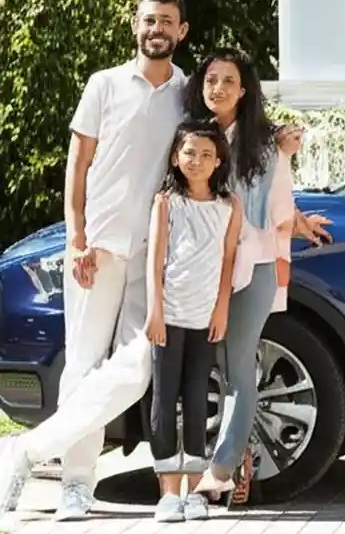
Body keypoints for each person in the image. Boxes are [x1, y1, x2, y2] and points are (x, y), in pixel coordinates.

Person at [0, 0, 324, 523]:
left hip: (160, 260)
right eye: (149, 20)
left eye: (167, 21)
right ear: (136, 26)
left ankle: (29, 450)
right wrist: (76, 238)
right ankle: (75, 485)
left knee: (135, 371)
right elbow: (76, 167)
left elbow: (230, 153)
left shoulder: (185, 95)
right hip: (99, 249)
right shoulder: (103, 85)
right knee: (82, 366)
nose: (157, 29)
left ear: (181, 31)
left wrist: (285, 157)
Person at [181, 48, 296, 505]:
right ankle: (236, 457)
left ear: (244, 91)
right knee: (209, 366)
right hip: (203, 267)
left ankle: (221, 468)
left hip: (255, 263)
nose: (218, 89)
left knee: (238, 365)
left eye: (228, 81)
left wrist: (298, 222)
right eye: (211, 80)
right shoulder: (192, 137)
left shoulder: (264, 143)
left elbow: (278, 207)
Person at [144, 120, 242, 522]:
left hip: (205, 315)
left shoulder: (229, 206)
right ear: (175, 157)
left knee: (199, 396)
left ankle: (197, 488)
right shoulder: (166, 202)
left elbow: (228, 260)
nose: (197, 161)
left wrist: (221, 309)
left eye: (205, 155)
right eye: (189, 153)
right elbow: (155, 259)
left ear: (218, 161)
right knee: (164, 396)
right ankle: (168, 490)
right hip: (169, 314)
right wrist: (155, 310)